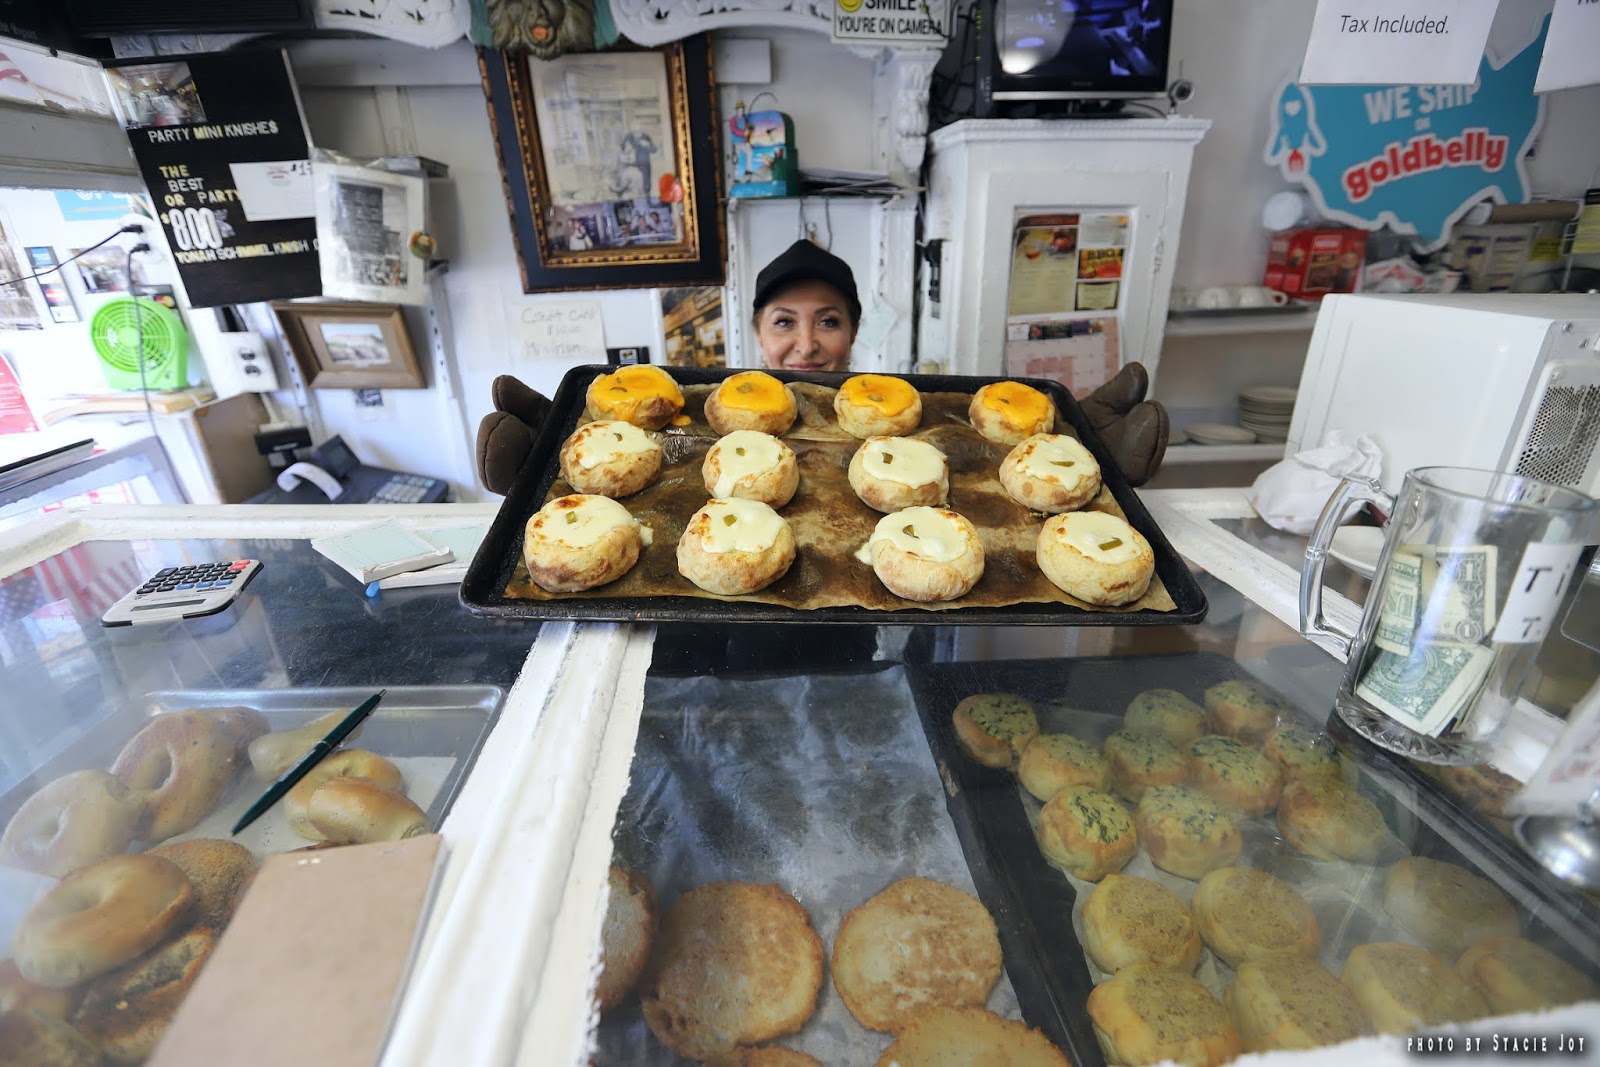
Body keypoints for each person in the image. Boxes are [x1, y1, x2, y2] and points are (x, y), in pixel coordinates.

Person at [475, 239, 1169, 493]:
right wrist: (557, 462)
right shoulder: (699, 421)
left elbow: (981, 463)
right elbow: (646, 451)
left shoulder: (912, 426)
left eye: (828, 321)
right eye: (784, 322)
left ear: (855, 333)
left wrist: (1084, 458)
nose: (806, 345)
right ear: (754, 331)